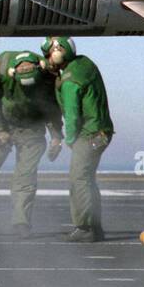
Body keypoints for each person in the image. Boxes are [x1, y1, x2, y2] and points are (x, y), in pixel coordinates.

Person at [0, 49, 63, 237]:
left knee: (25, 177)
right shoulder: (0, 66)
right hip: (2, 124)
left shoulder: (48, 73)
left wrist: (56, 136)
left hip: (32, 128)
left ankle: (21, 223)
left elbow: (53, 106)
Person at [43, 35, 113, 242]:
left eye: (48, 53)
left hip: (89, 133)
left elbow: (72, 114)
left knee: (79, 179)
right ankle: (95, 227)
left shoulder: (70, 81)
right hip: (102, 131)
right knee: (88, 179)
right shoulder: (84, 63)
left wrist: (70, 139)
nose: (47, 58)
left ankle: (84, 227)